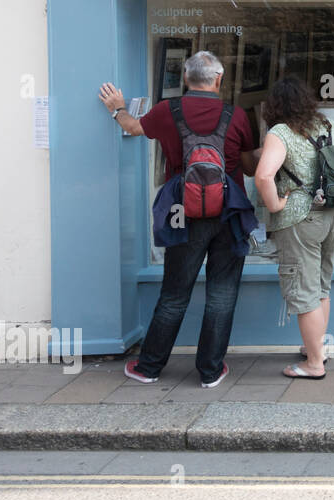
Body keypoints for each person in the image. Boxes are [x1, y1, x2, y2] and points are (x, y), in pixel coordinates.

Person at [99, 51, 258, 388]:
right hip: (229, 214)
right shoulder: (237, 115)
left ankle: (149, 368)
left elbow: (132, 126)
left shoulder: (167, 111)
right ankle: (210, 371)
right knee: (222, 294)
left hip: (182, 214)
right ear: (218, 79)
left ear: (186, 79)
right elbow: (248, 166)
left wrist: (117, 106)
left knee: (174, 293)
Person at [253, 77, 334, 379]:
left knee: (305, 291)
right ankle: (315, 350)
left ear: (275, 105)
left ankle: (314, 365)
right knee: (321, 286)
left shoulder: (281, 132)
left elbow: (263, 177)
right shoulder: (329, 125)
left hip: (301, 219)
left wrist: (275, 206)